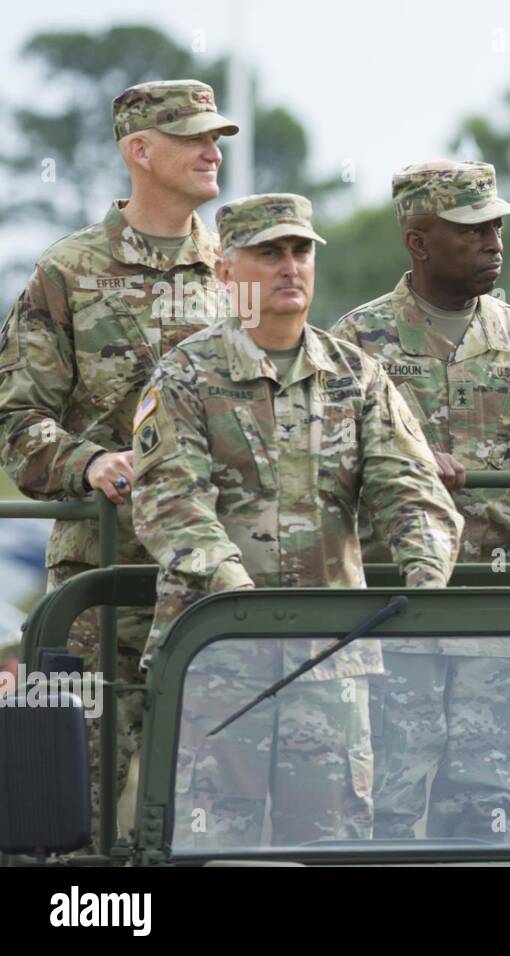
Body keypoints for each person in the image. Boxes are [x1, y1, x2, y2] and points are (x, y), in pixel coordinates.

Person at [130, 193, 463, 847]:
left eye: (301, 250)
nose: (290, 267)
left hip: (331, 665)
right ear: (227, 273)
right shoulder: (184, 378)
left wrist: (425, 581)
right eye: (269, 252)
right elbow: (172, 504)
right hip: (215, 661)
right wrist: (237, 596)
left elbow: (414, 493)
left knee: (331, 843)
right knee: (207, 845)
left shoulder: (356, 378)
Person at [331, 160, 510, 842]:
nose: (493, 241)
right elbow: (321, 472)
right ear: (418, 240)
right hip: (391, 611)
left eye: (497, 226)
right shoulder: (355, 345)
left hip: (498, 618)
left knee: (489, 811)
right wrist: (398, 464)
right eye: (471, 230)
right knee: (385, 806)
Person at [0, 79, 238, 847]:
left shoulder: (240, 273)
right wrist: (87, 460)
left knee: (218, 801)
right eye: (194, 136)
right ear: (140, 151)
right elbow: (13, 421)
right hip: (107, 583)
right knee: (90, 806)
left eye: (217, 137)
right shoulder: (67, 273)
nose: (213, 151)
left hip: (221, 579)